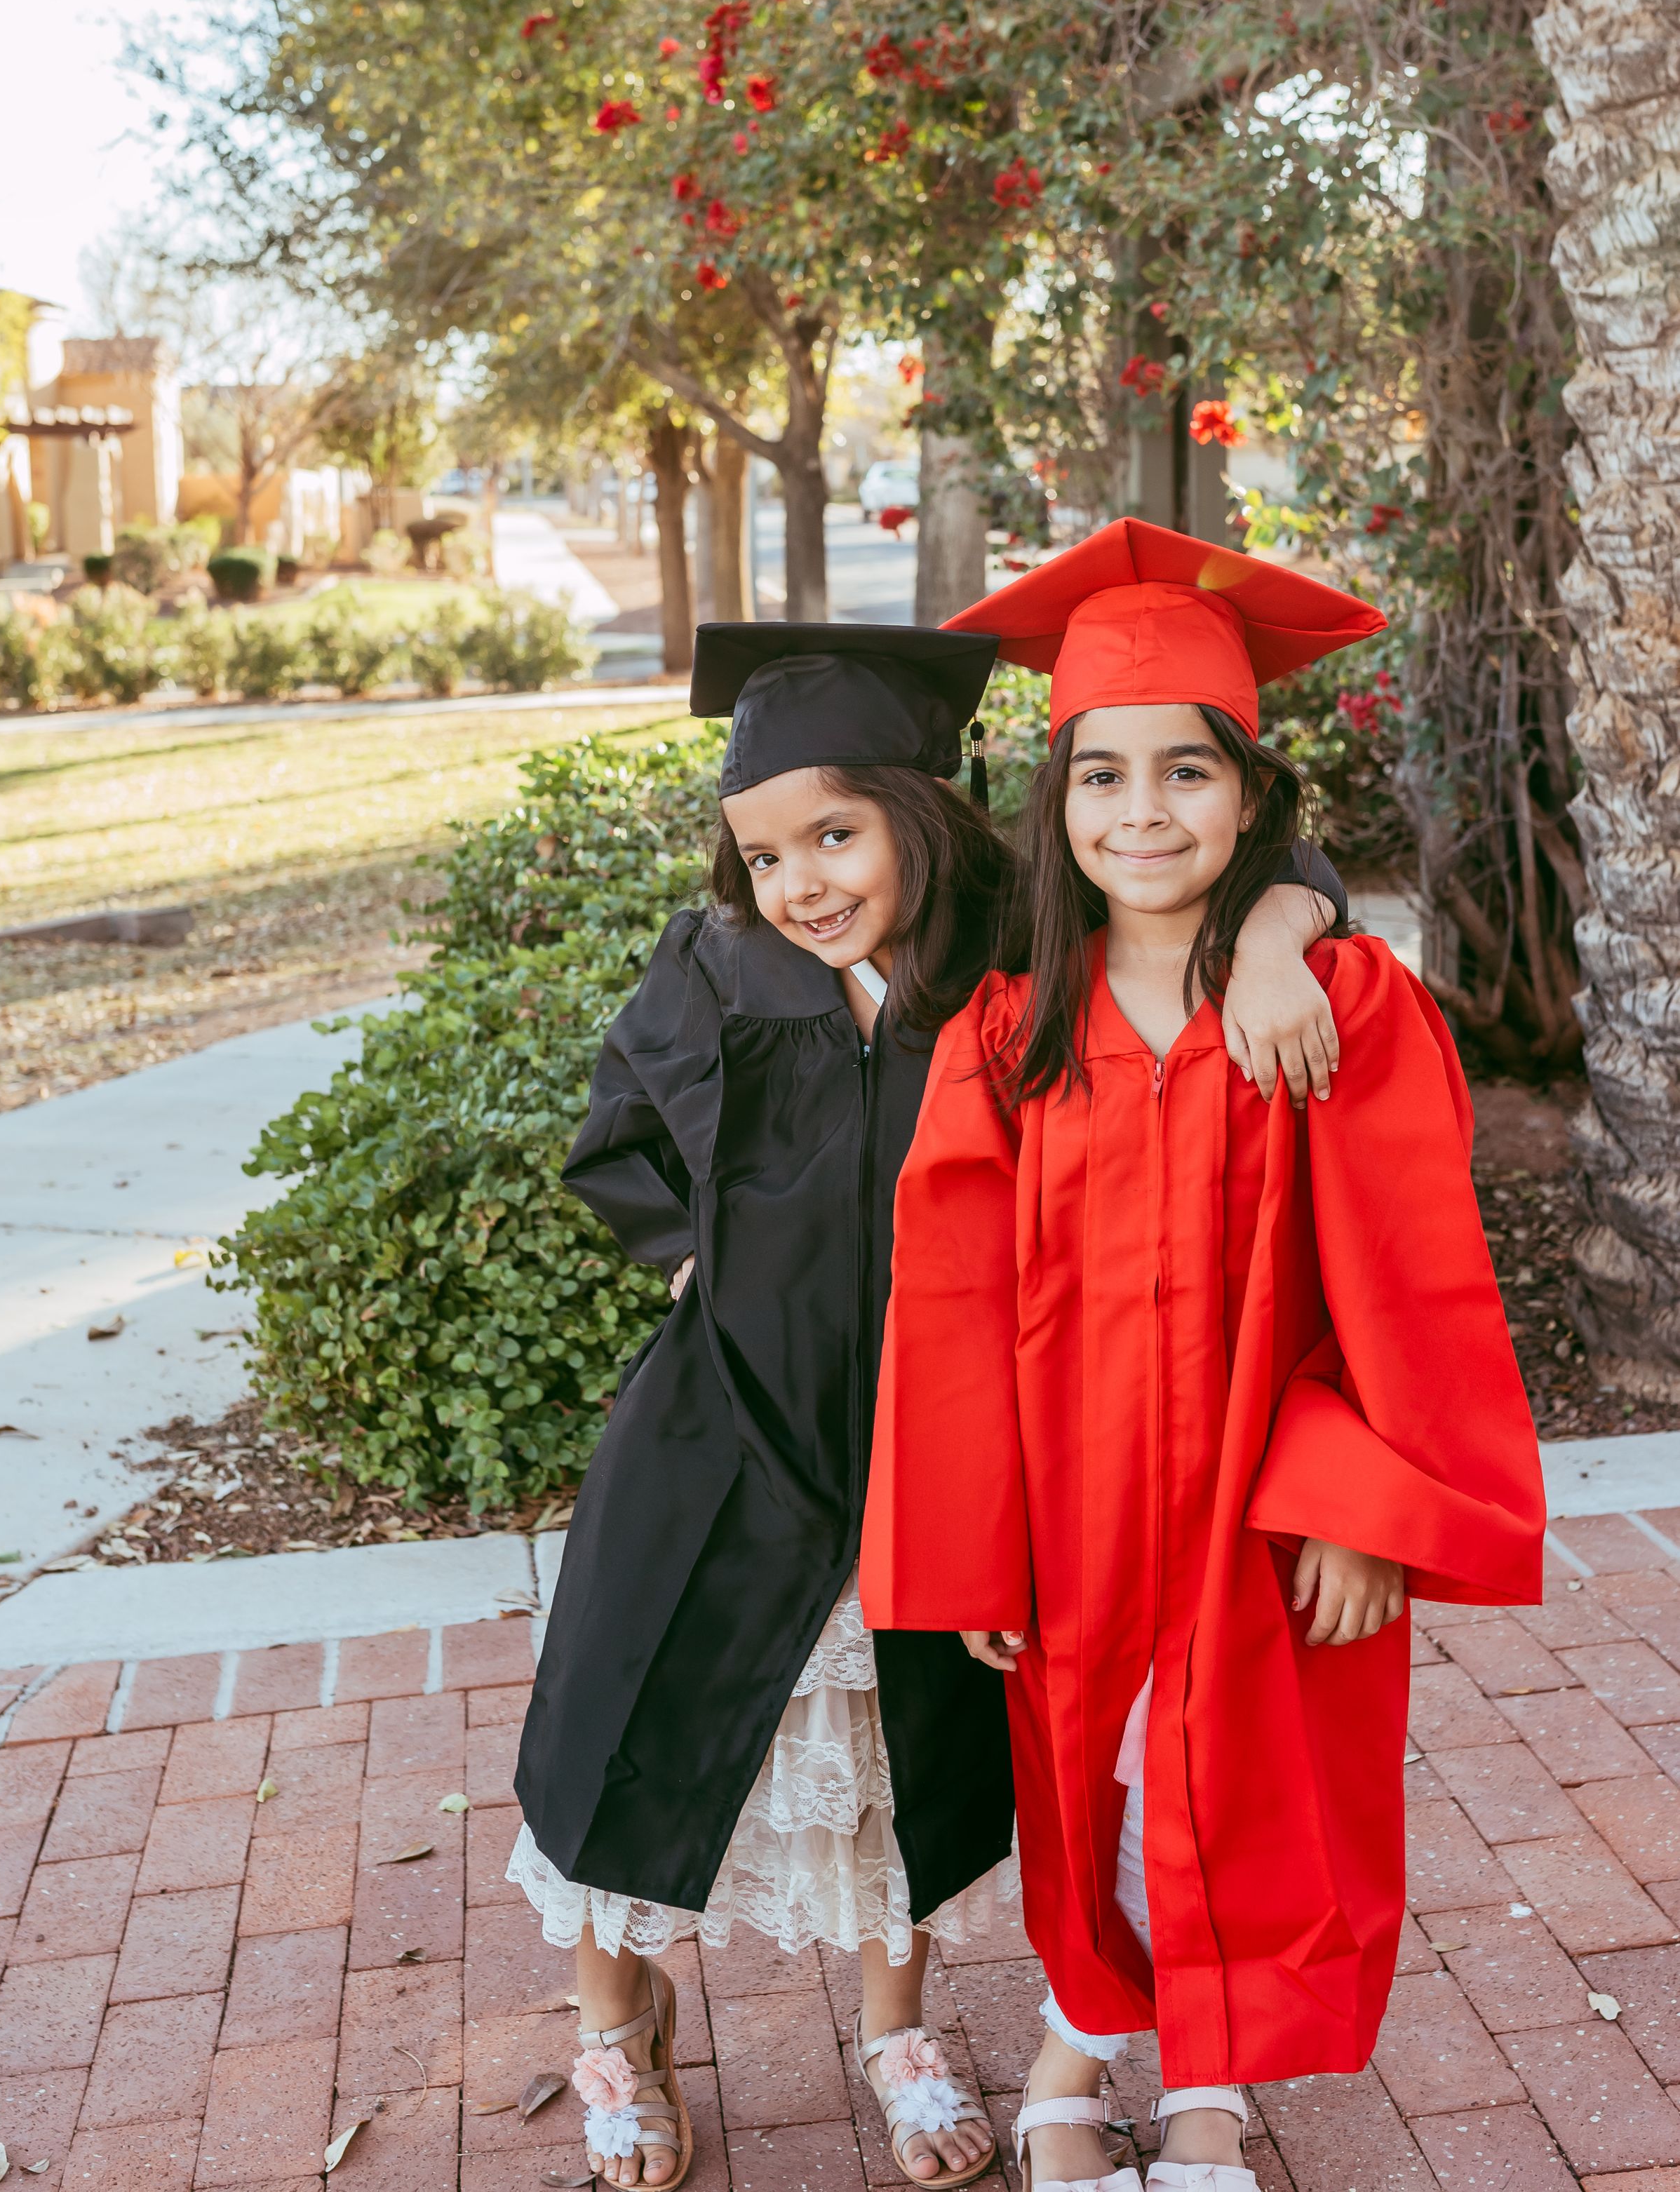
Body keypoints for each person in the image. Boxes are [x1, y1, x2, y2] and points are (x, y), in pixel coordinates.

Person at [512, 617, 1355, 2192]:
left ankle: (895, 2027)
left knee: (902, 1754)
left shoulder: (1010, 961)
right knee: (633, 1721)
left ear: (921, 809)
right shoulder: (716, 966)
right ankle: (613, 2022)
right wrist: (696, 1253)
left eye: (834, 834)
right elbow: (612, 1134)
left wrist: (1278, 936)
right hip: (724, 1434)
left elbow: (1250, 858)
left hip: (928, 1439)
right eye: (763, 853)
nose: (801, 881)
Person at [860, 522, 1547, 2192]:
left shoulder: (1340, 1005)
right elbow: (942, 1313)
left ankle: (1211, 2099)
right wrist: (972, 1540)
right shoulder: (1003, 1034)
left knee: (1242, 1783)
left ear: (1247, 793)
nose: (1143, 811)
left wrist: (1373, 1499)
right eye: (1101, 776)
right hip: (1076, 1502)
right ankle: (1076, 2038)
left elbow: (1413, 1279)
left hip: (1263, 1493)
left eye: (1185, 771)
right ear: (1058, 804)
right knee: (1090, 1781)